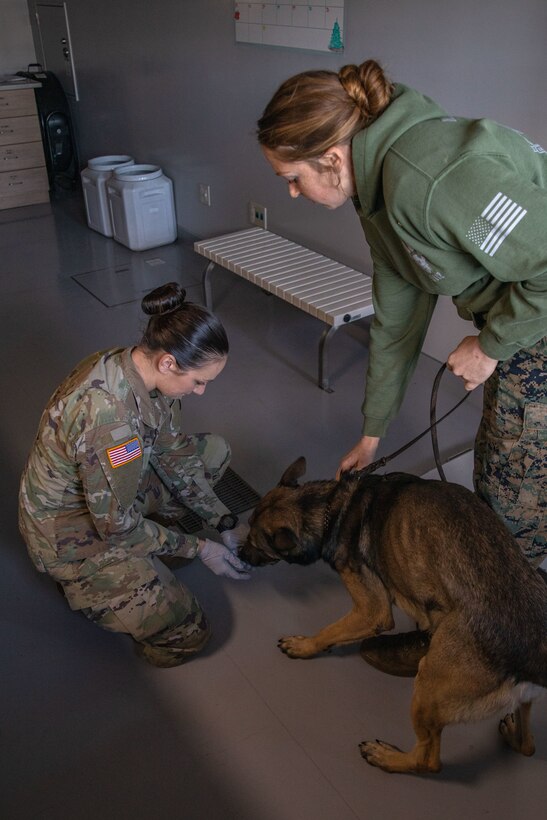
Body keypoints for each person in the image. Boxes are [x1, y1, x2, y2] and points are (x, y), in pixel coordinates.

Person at [257, 61, 546, 671]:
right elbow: (399, 315)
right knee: (499, 478)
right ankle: (471, 625)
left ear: (332, 158)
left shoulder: (428, 177)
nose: (289, 192)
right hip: (525, 323)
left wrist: (490, 345)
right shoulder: (375, 185)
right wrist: (373, 431)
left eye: (291, 177)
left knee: (513, 502)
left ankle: (509, 645)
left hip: (533, 326)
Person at [19, 282, 250, 669]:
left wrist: (221, 519)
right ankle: (87, 583)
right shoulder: (110, 419)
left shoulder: (132, 365)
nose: (201, 392)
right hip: (70, 536)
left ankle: (154, 552)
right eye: (199, 381)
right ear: (168, 363)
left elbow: (172, 451)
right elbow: (114, 527)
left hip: (107, 496)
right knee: (189, 633)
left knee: (214, 451)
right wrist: (200, 548)